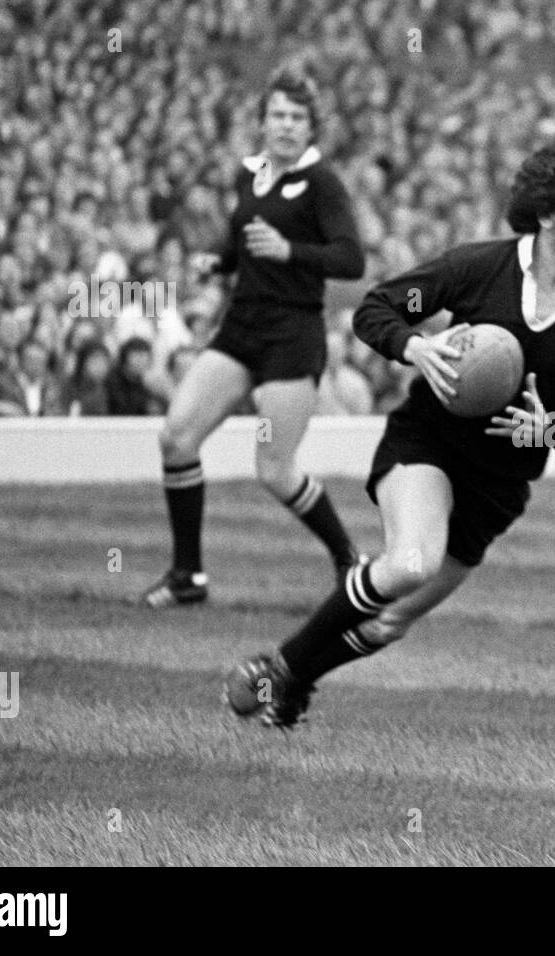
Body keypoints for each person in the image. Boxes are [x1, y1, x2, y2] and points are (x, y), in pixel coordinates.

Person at [224, 136, 555, 729]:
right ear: (550, 210)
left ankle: (293, 687)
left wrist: (552, 429)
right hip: (428, 445)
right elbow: (377, 309)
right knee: (411, 562)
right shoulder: (477, 268)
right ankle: (279, 666)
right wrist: (417, 347)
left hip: (500, 486)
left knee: (390, 621)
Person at [140, 69, 365, 608]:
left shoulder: (323, 183)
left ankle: (349, 561)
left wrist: (291, 251)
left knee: (273, 468)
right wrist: (217, 260)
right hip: (242, 326)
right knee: (176, 437)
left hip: (293, 333)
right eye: (278, 115)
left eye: (297, 117)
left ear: (312, 127)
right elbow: (243, 240)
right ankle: (188, 575)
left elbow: (351, 259)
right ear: (262, 122)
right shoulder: (250, 173)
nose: (286, 126)